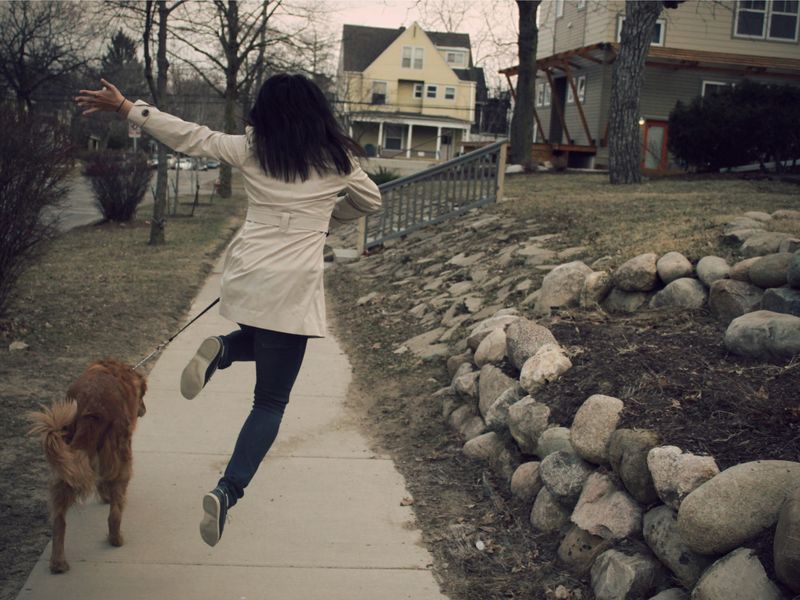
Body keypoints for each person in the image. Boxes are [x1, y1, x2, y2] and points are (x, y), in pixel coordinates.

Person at [75, 76, 382, 547]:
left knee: (265, 344)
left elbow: (190, 135)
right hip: (291, 288)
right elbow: (370, 200)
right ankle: (228, 490)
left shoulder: (252, 148)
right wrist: (328, 221)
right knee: (271, 402)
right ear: (316, 112)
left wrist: (126, 108)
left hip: (247, 275)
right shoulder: (337, 160)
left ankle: (222, 349)